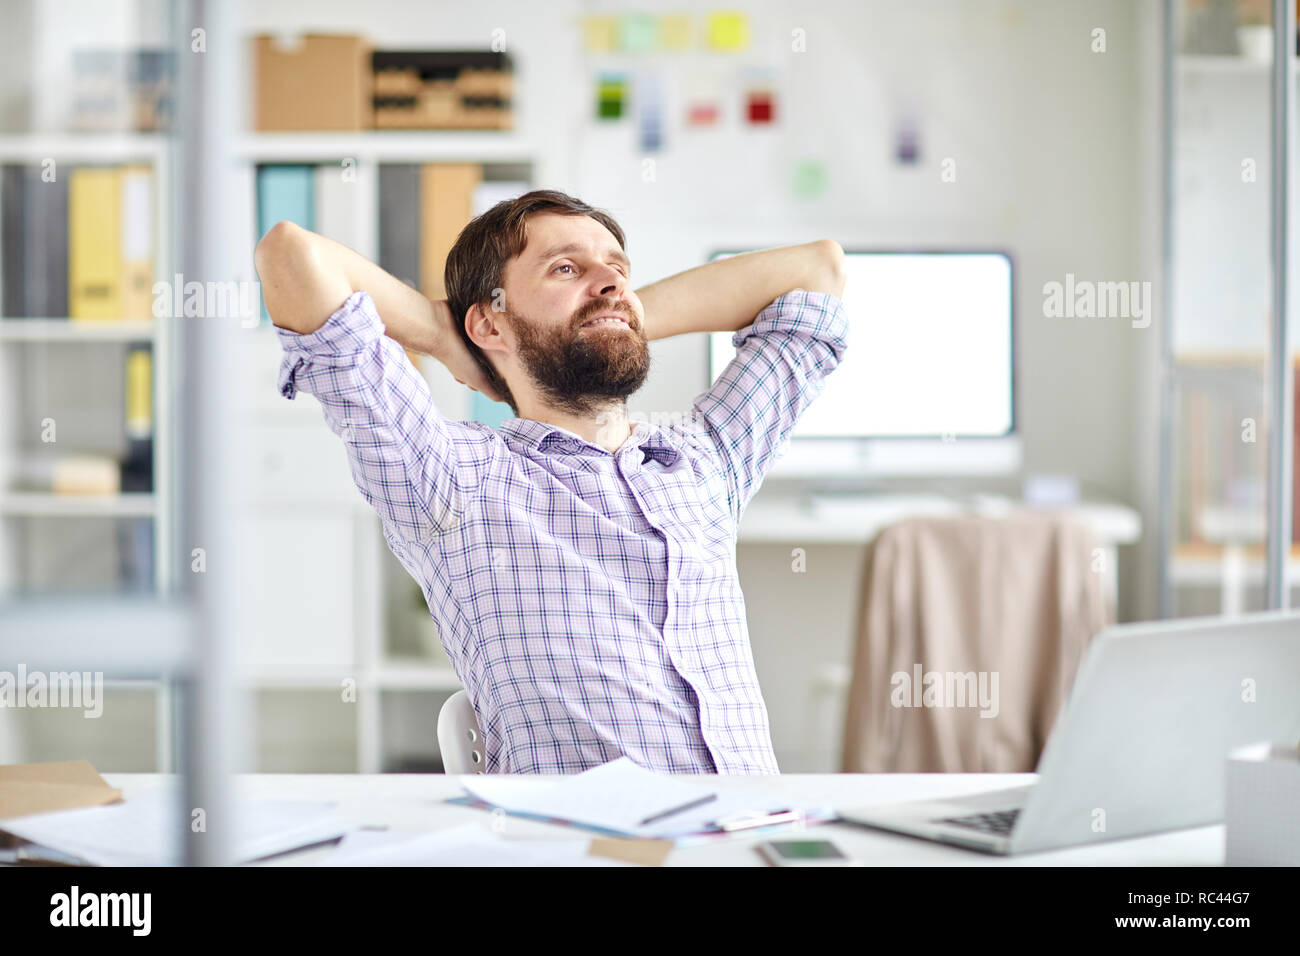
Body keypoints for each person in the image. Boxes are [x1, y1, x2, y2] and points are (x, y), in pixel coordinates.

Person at [255, 189, 848, 774]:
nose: (612, 281)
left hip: (754, 834)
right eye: (566, 267)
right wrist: (442, 334)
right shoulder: (451, 475)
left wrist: (615, 315)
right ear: (488, 321)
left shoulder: (704, 459)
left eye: (618, 268)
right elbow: (294, 257)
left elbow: (817, 270)